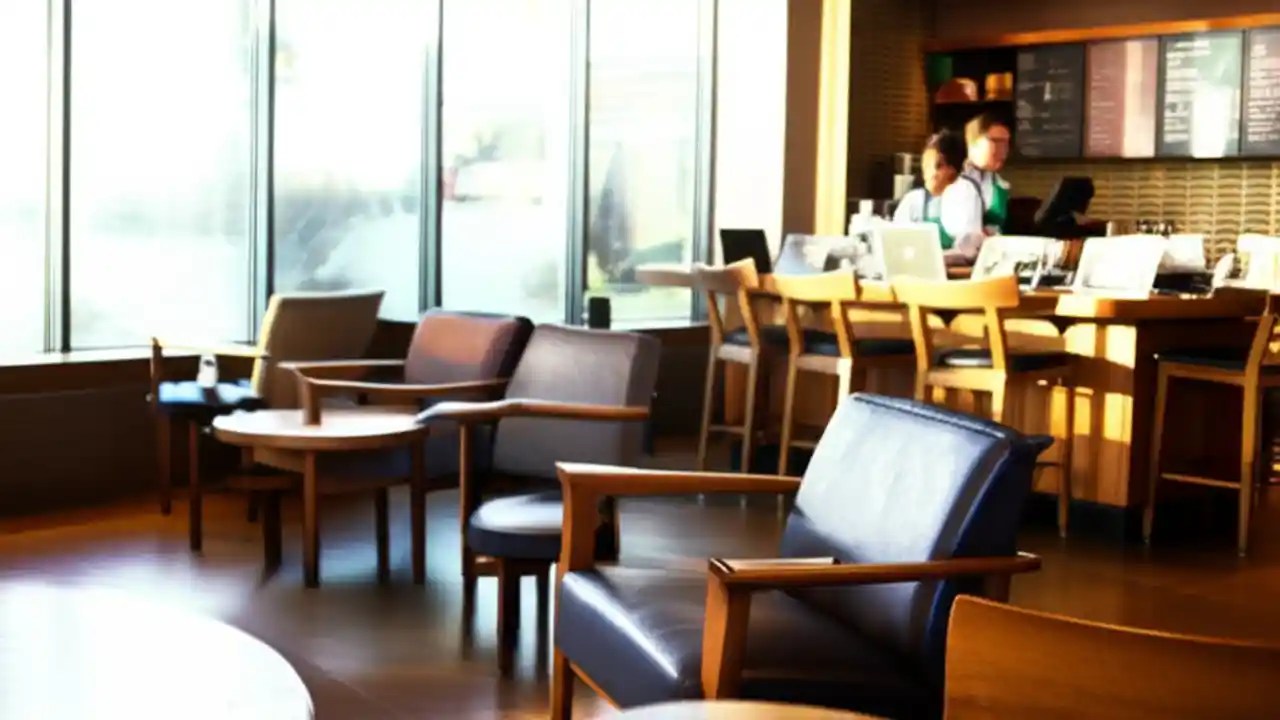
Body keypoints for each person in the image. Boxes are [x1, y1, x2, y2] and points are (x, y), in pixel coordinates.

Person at [893, 129, 985, 266]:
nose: (930, 173)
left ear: (953, 168)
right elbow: (895, 242)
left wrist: (933, 259)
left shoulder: (965, 193)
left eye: (937, 166)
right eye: (925, 166)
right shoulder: (913, 200)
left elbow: (968, 252)